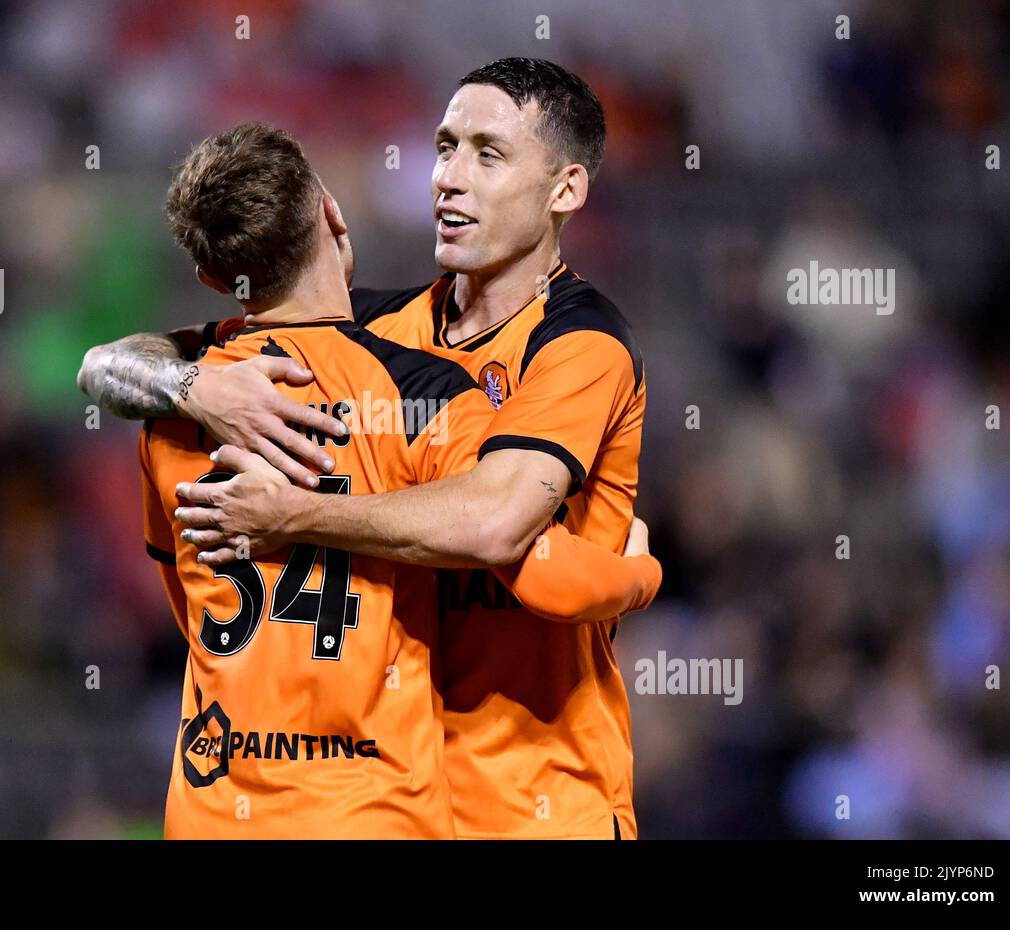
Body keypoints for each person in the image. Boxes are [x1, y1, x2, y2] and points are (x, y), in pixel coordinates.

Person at [84, 58, 659, 839]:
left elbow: (498, 525)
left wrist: (295, 513)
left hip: (538, 803)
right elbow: (109, 365)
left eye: (488, 155)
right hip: (402, 802)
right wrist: (196, 390)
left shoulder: (580, 344)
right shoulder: (374, 336)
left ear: (565, 190)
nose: (449, 178)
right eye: (444, 146)